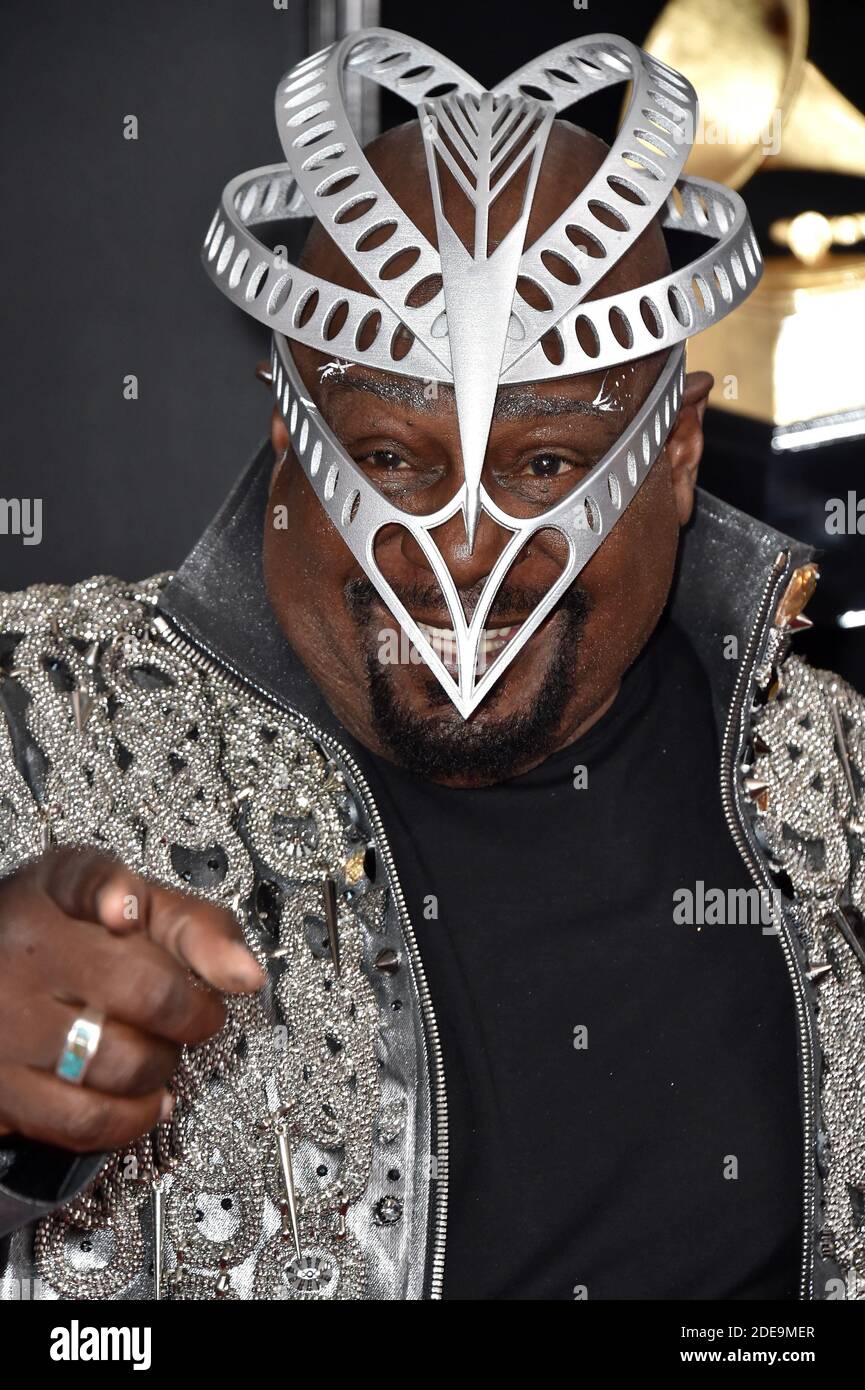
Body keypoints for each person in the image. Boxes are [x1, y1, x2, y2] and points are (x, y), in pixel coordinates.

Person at [1, 29, 863, 1302]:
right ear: (289, 432)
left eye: (545, 464)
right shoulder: (32, 728)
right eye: (392, 460)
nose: (459, 550)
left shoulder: (830, 782)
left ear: (676, 458)